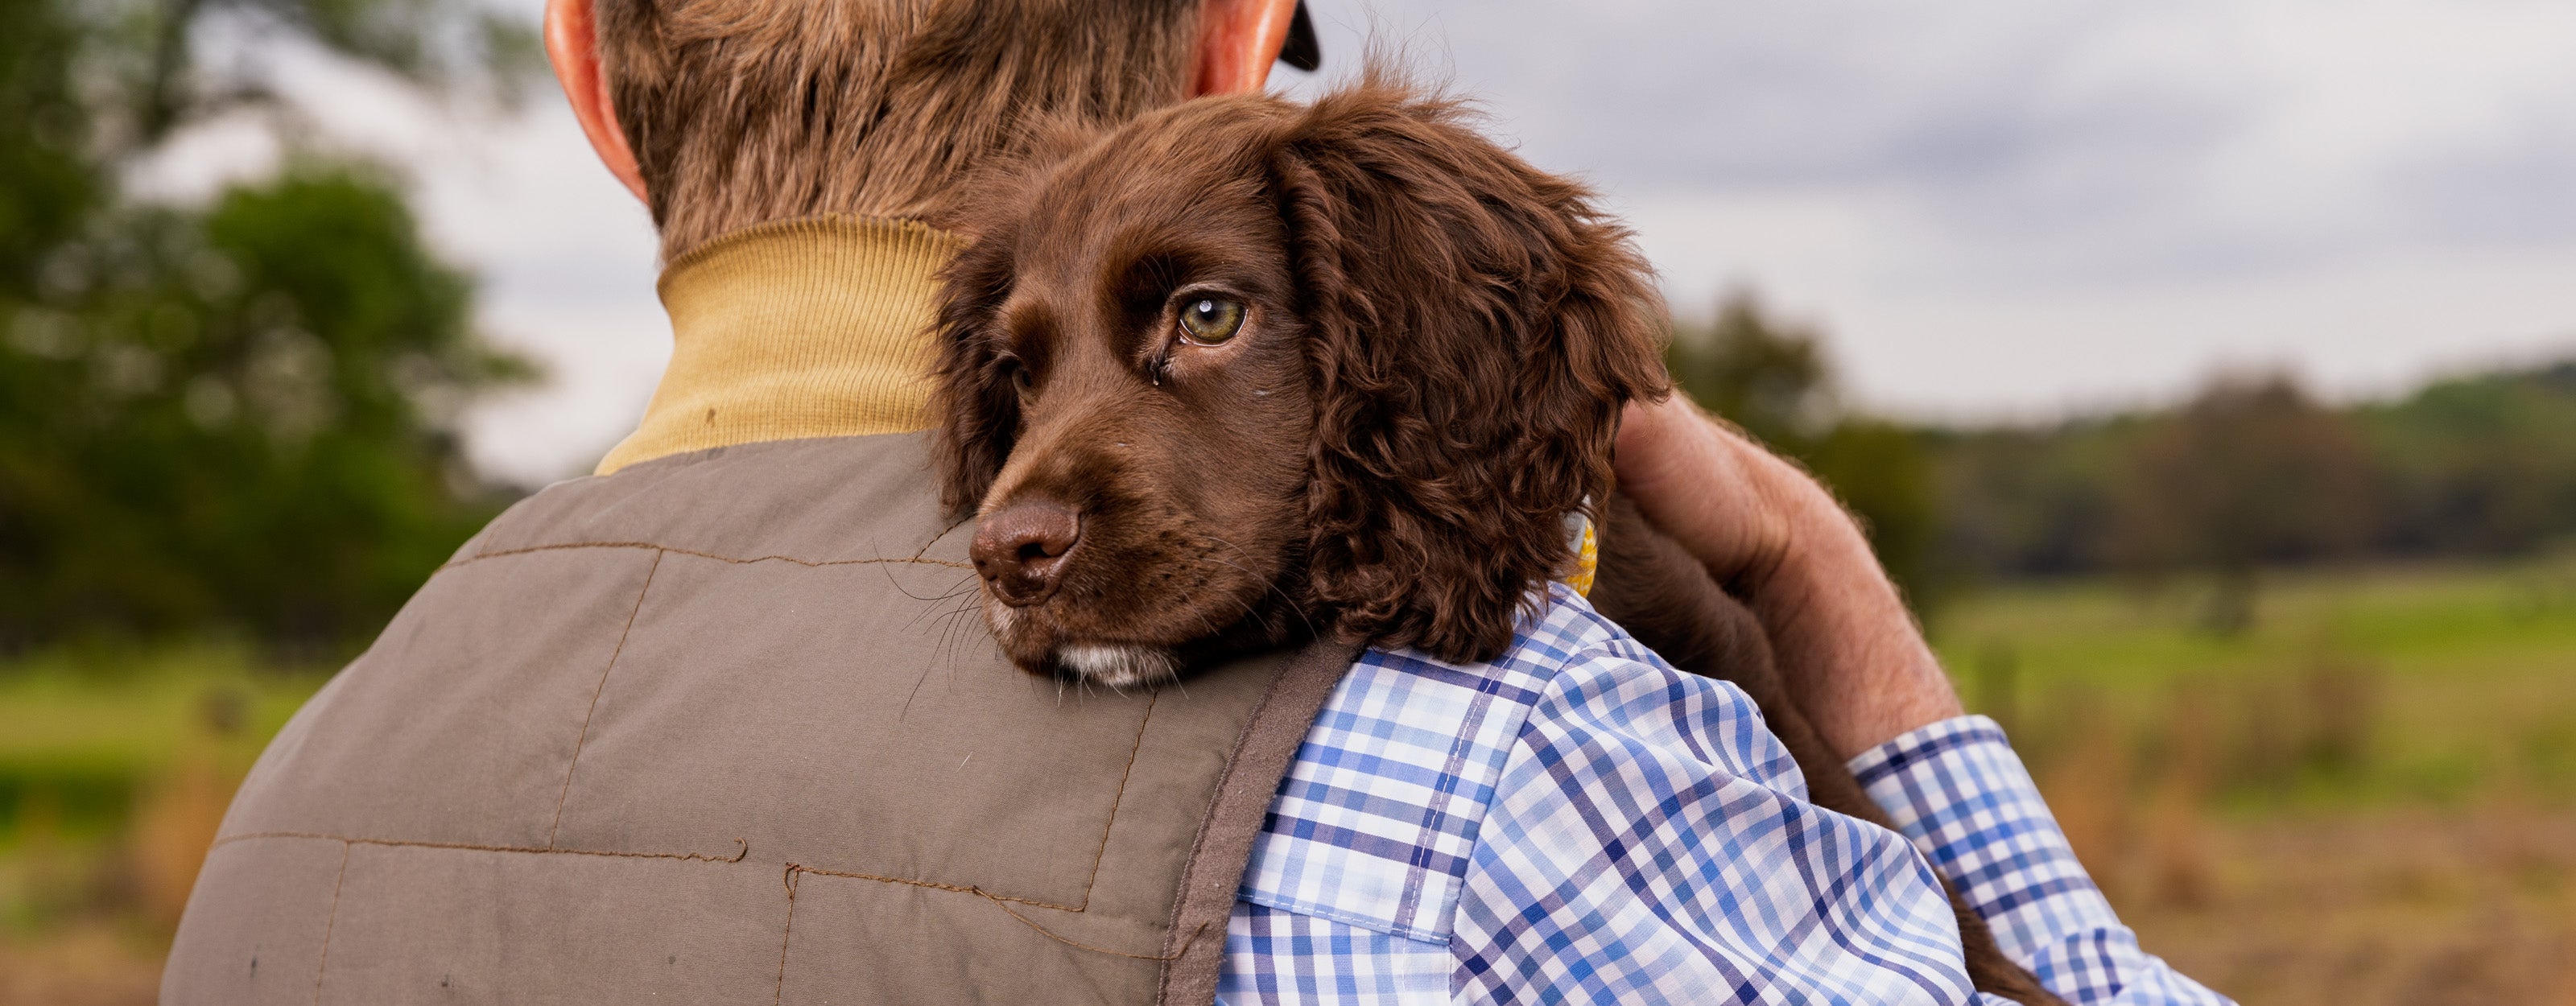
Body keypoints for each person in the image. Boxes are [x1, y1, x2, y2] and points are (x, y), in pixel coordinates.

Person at [162, 2, 2229, 1004]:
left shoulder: (293, 809)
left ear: (592, 83)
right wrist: (1807, 576)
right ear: (1242, 39)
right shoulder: (1482, 765)